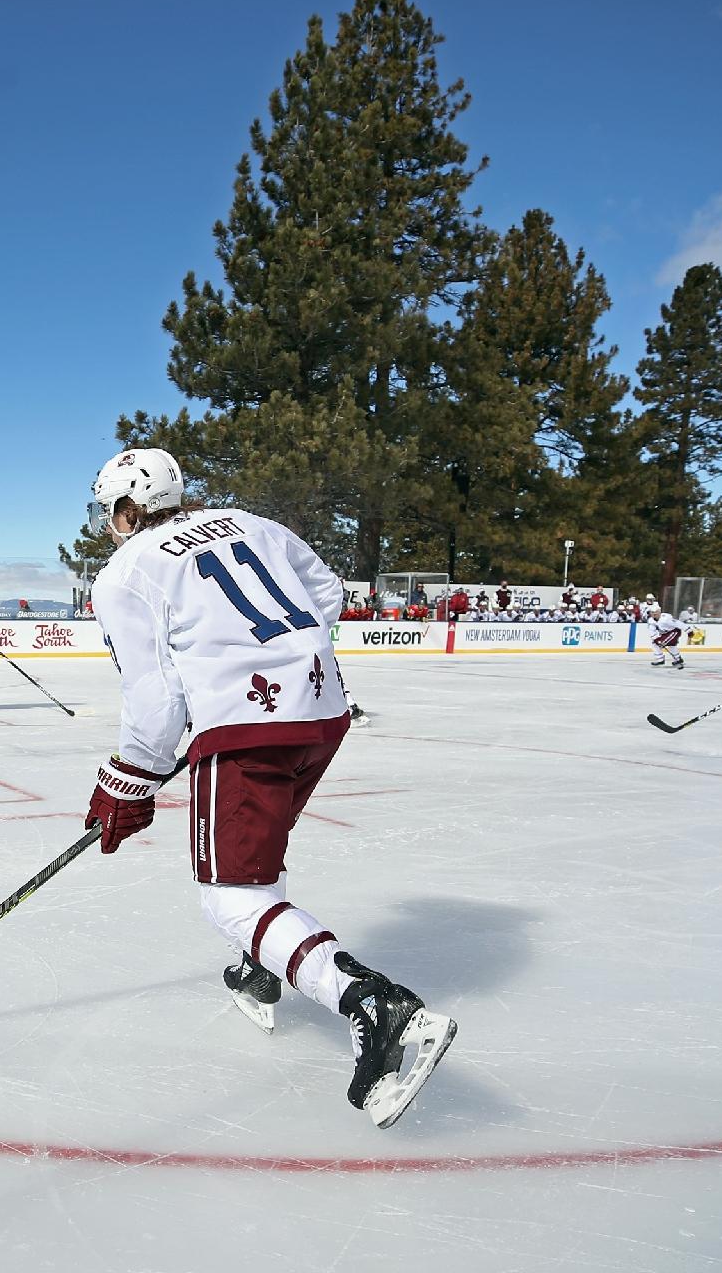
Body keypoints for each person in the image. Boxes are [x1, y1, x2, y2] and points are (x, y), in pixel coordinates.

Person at [83, 447, 456, 1129]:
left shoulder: (125, 572)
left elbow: (154, 697)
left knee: (231, 898)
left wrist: (128, 779)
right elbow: (326, 593)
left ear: (129, 511)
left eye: (111, 513)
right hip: (321, 713)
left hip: (248, 729)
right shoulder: (252, 524)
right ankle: (263, 965)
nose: (111, 525)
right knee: (256, 862)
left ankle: (374, 1005)